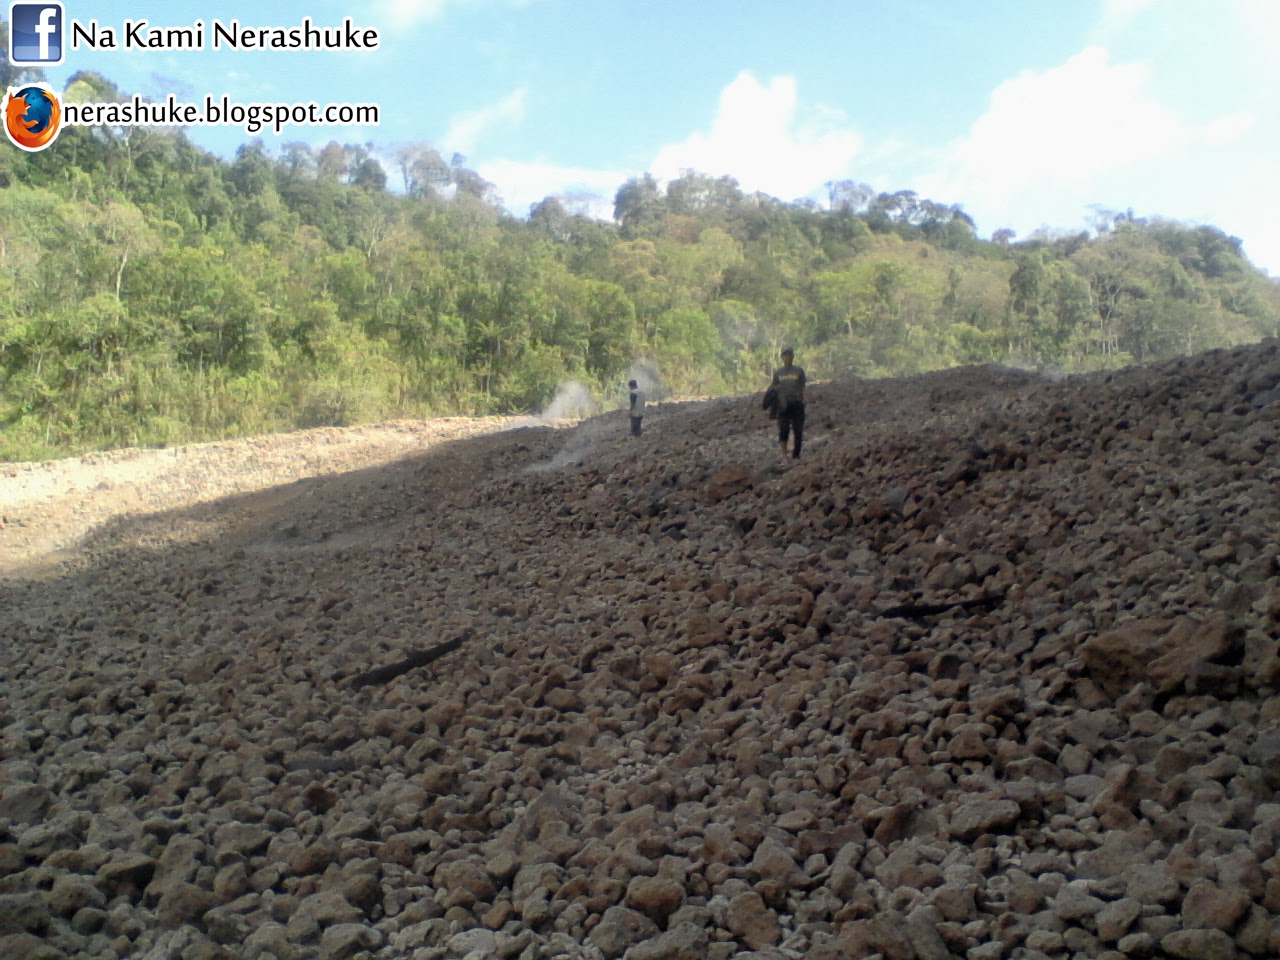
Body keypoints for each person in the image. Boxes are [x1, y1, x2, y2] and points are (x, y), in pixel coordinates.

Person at [771, 348, 806, 459]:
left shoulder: (799, 371)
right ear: (782, 357)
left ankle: (796, 455)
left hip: (796, 404)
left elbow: (802, 387)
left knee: (798, 431)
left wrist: (801, 400)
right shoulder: (778, 373)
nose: (787, 357)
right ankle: (784, 456)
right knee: (783, 430)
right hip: (782, 404)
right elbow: (774, 388)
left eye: (789, 355)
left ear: (793, 357)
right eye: (785, 355)